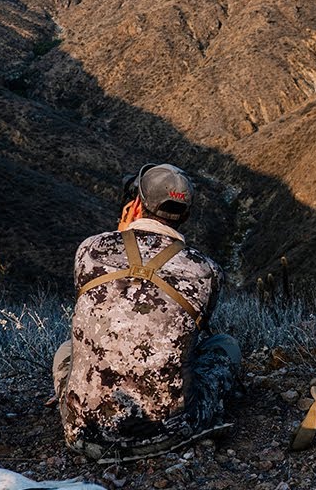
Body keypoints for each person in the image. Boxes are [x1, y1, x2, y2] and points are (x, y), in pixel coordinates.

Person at [53, 163, 240, 460]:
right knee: (224, 346)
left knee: (66, 350)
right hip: (167, 433)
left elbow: (113, 303)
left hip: (83, 431)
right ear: (186, 215)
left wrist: (123, 234)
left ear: (136, 203)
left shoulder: (89, 249)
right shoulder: (207, 271)